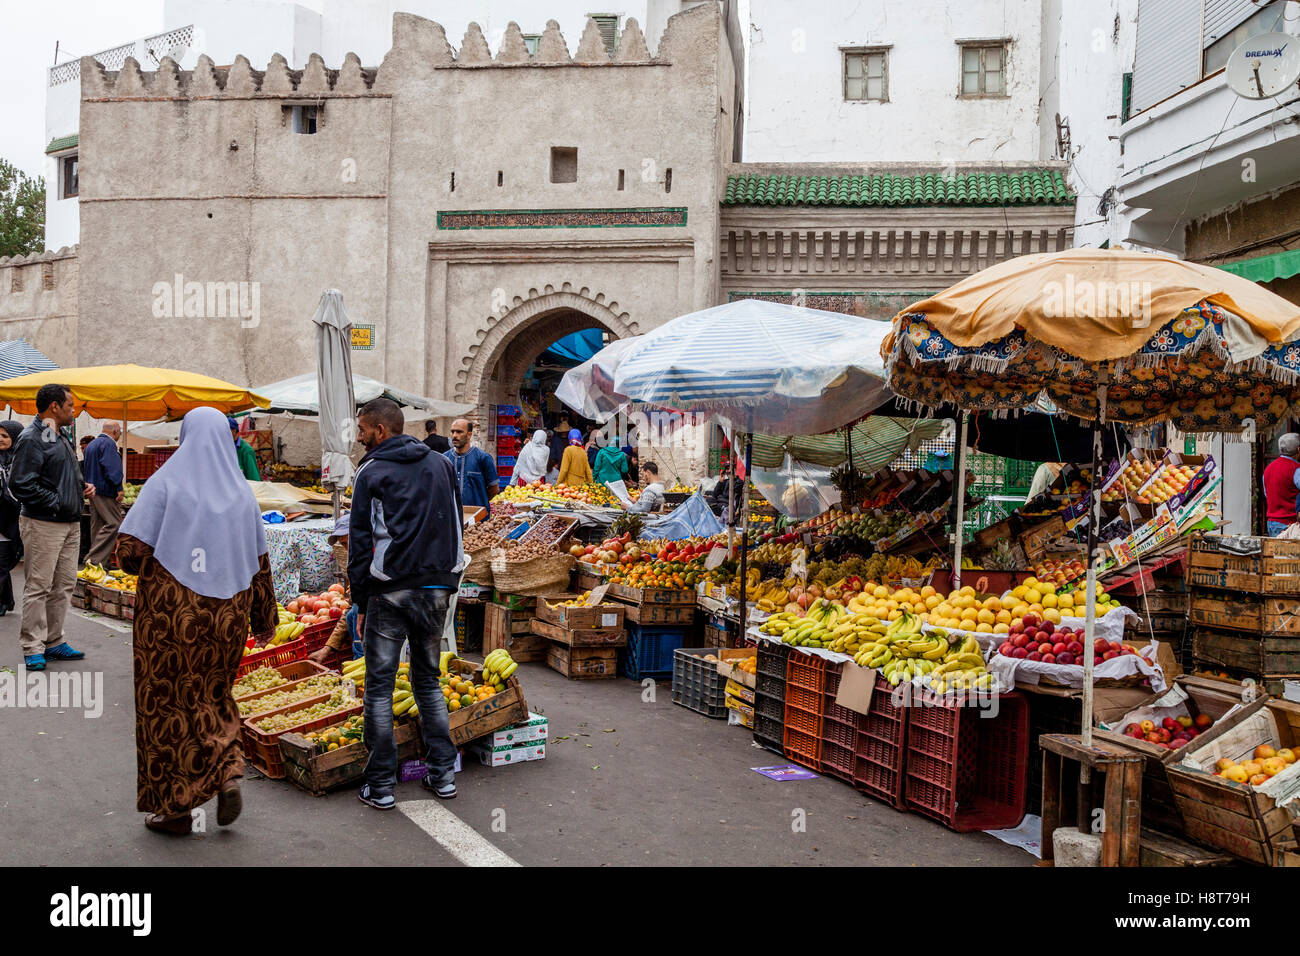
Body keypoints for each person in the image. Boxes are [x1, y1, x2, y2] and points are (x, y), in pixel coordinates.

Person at [115, 406, 277, 835]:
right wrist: (264, 617)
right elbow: (261, 563)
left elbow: (129, 549)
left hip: (170, 616)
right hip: (228, 616)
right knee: (214, 693)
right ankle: (227, 771)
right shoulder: (242, 493)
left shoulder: (165, 481)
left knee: (166, 703)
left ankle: (176, 810)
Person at [350, 397, 463, 809]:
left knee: (379, 689)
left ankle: (380, 786)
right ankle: (444, 776)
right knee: (428, 681)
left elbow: (360, 544)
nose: (359, 437)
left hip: (389, 589)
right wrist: (449, 579)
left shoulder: (371, 471)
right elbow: (456, 521)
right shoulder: (442, 464)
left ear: (380, 431)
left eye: (362, 430)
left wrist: (360, 601)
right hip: (437, 587)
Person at [10, 383, 94, 672]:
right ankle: (32, 646)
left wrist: (81, 487)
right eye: (70, 405)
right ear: (54, 407)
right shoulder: (32, 437)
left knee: (64, 585)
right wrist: (57, 501)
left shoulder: (60, 435)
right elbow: (20, 483)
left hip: (69, 523)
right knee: (39, 586)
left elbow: (59, 475)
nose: (74, 410)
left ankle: (54, 640)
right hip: (43, 523)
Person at [311, 511, 359, 664]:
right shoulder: (355, 565)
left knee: (356, 613)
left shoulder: (378, 559)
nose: (347, 548)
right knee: (352, 614)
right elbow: (350, 608)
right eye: (343, 544)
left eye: (348, 542)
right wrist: (328, 648)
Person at [82, 422, 125, 567]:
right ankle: (93, 559)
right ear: (115, 431)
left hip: (93, 491)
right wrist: (118, 487)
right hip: (106, 491)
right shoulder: (109, 444)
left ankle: (99, 564)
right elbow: (112, 468)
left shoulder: (92, 445)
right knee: (113, 523)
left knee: (98, 525)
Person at [445, 418, 498, 515]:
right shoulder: (444, 459)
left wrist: (480, 500)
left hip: (478, 520)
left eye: (459, 432)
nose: (454, 435)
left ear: (469, 435)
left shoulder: (483, 458)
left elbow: (494, 488)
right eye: (452, 432)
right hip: (451, 517)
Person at [0, 421, 24, 616]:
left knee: (3, 561)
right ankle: (6, 601)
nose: (0, 439)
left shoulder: (21, 461)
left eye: (5, 436)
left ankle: (5, 601)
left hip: (12, 519)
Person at [1263, 432, 1300, 536]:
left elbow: (1267, 494)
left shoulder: (1268, 468)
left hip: (1272, 523)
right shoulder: (1296, 469)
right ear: (1298, 450)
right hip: (1291, 524)